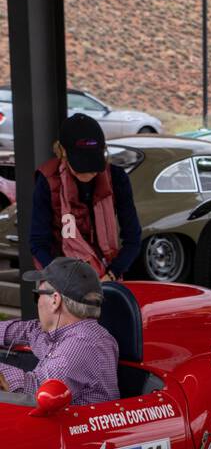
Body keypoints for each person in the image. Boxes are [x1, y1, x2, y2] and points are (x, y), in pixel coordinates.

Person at [29, 113, 142, 281]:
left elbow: (133, 237)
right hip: (62, 279)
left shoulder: (116, 179)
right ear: (63, 152)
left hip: (108, 278)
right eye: (81, 165)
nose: (89, 172)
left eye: (94, 165)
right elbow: (38, 243)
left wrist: (112, 274)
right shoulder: (48, 180)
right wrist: (63, 278)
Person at [0, 258, 119, 404]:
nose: (37, 303)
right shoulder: (61, 331)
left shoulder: (83, 343)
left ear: (55, 300)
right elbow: (27, 331)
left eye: (37, 295)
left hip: (75, 424)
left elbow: (35, 393)